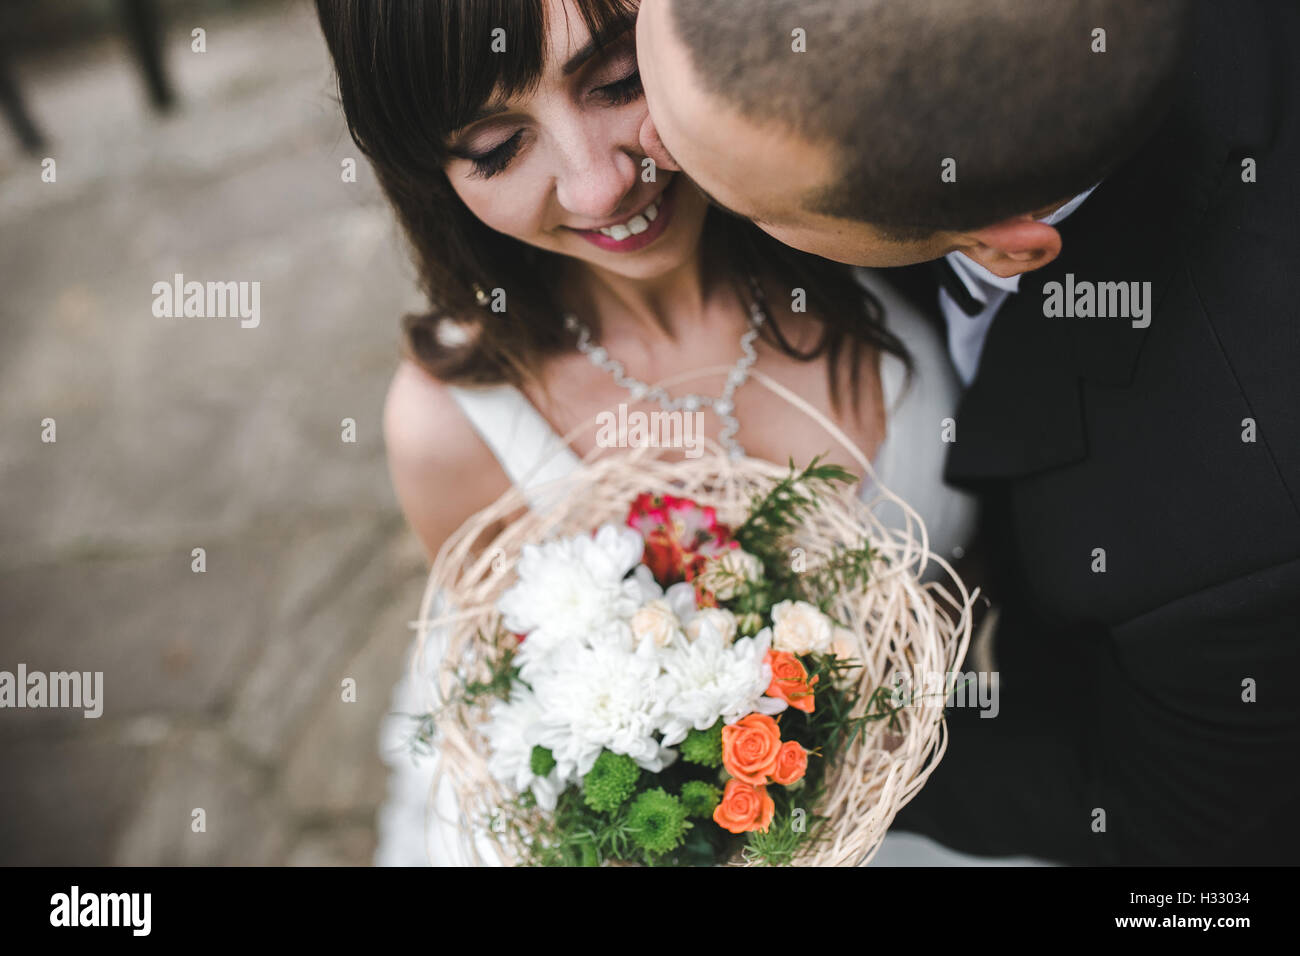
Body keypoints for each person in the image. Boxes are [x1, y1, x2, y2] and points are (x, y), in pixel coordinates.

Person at [314, 0, 979, 865]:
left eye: (619, 80)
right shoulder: (452, 427)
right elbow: (538, 730)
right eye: (496, 147)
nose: (598, 184)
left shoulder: (887, 221)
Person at [635, 0, 1300, 864]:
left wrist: (785, 760)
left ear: (1002, 247)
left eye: (739, 194)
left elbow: (1164, 819)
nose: (644, 147)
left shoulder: (1221, 532)